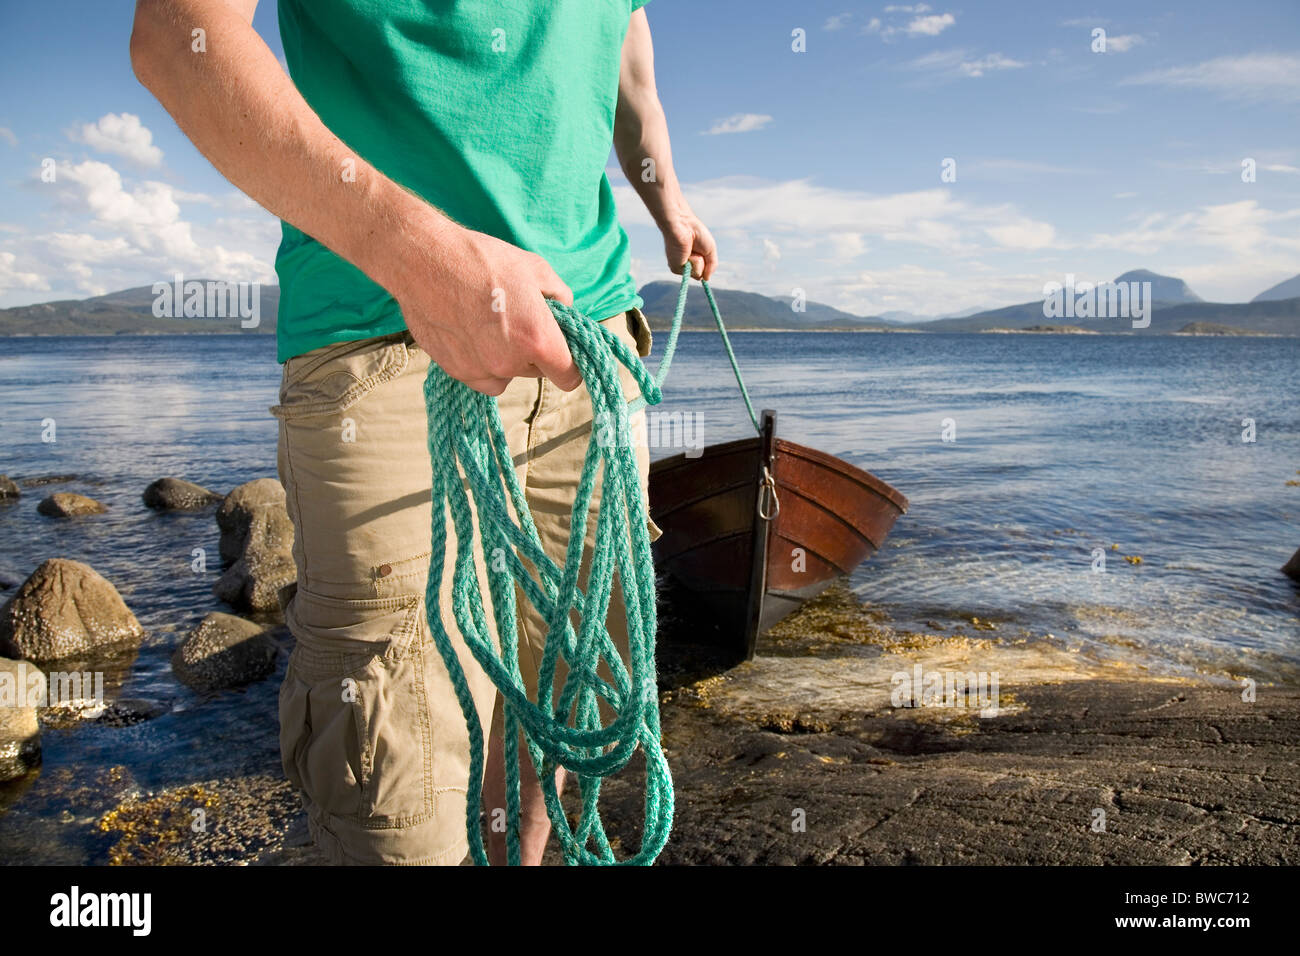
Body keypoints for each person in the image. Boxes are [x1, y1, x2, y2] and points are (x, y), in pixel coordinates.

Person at [131, 0, 716, 865]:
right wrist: (415, 253)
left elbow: (629, 67)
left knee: (562, 696)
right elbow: (180, 39)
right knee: (396, 791)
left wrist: (669, 202)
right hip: (384, 339)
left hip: (592, 348)